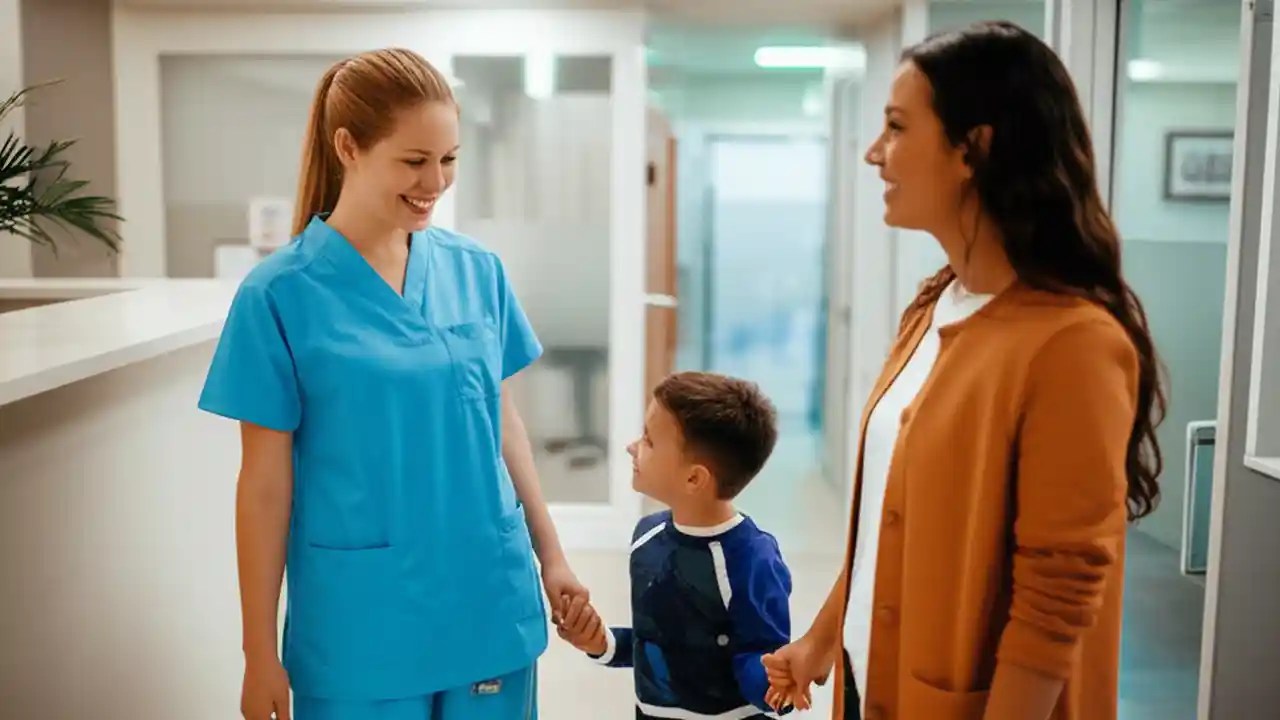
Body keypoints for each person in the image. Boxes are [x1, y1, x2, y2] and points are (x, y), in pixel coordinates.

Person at [761, 21, 1166, 720]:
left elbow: (1056, 598)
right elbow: (889, 521)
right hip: (869, 683)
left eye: (895, 127)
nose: (872, 153)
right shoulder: (933, 304)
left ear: (972, 149)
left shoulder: (1072, 343)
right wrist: (824, 640)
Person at [198, 48, 587, 720]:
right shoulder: (280, 296)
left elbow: (501, 421)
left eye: (449, 159)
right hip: (360, 624)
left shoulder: (477, 271)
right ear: (348, 147)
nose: (435, 181)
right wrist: (258, 652)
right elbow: (263, 487)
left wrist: (552, 558)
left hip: (486, 599)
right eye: (414, 161)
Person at [555, 372, 794, 719]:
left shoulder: (752, 560)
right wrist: (602, 643)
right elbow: (663, 642)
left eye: (649, 440)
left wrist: (779, 685)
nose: (632, 446)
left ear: (694, 478)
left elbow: (764, 663)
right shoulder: (647, 538)